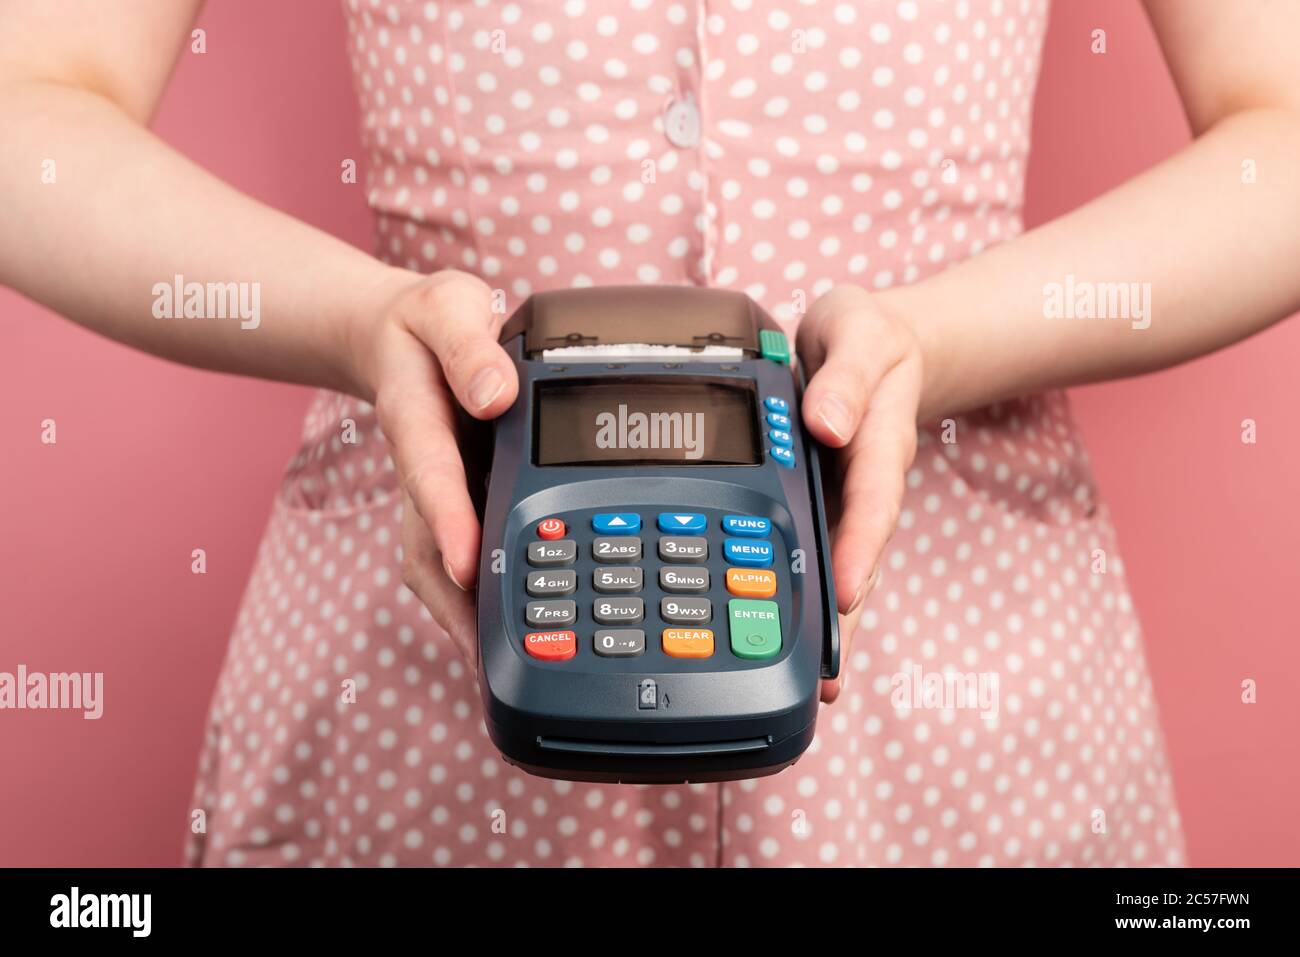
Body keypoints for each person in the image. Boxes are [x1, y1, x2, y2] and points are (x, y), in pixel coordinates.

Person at [2, 0, 1297, 867]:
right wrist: (363, 322)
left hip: (972, 730)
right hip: (418, 696)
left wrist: (940, 339)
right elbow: (28, 105)